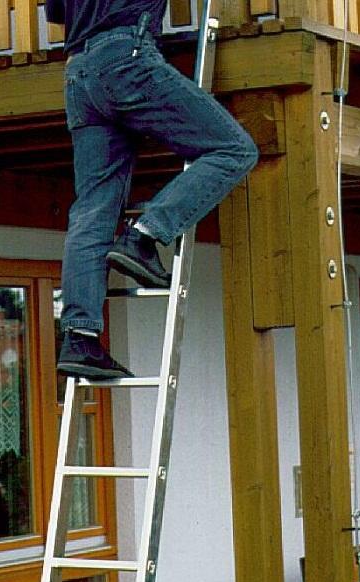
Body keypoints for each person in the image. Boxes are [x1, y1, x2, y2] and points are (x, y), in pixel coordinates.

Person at [47, 0, 258, 378]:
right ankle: (143, 236)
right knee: (234, 149)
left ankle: (79, 337)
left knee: (93, 208)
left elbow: (57, 13)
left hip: (78, 73)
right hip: (127, 56)